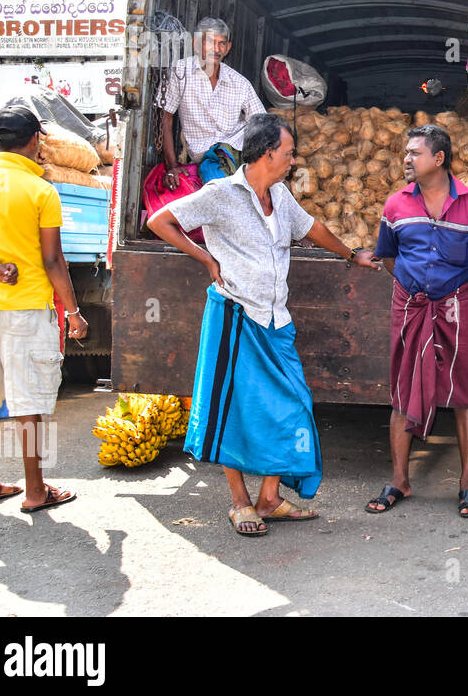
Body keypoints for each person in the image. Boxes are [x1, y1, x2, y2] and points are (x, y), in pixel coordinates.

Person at [147, 113, 380, 537]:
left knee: (292, 404)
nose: (293, 160)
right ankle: (240, 503)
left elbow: (314, 228)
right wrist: (206, 258)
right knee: (235, 409)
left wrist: (351, 255)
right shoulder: (220, 194)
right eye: (288, 153)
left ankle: (269, 497)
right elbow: (159, 221)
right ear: (268, 152)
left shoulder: (281, 195)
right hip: (235, 315)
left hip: (276, 320)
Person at [0, 106, 88, 512]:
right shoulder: (41, 191)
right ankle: (34, 491)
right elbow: (53, 262)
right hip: (27, 309)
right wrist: (73, 311)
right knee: (29, 402)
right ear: (33, 140)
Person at [366, 124, 468, 520]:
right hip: (409, 306)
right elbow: (387, 257)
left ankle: (467, 484)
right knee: (403, 390)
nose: (406, 159)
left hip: (456, 306)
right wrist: (413, 286)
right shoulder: (395, 206)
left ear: (438, 159)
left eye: (414, 153)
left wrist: (453, 284)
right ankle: (399, 480)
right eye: (406, 153)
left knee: (463, 395)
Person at [156, 16, 265, 189]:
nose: (216, 49)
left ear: (228, 48)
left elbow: (262, 123)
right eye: (210, 42)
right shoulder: (180, 73)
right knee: (220, 185)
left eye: (222, 43)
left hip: (238, 151)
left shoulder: (239, 82)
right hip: (207, 157)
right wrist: (172, 167)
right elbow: (165, 119)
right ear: (196, 44)